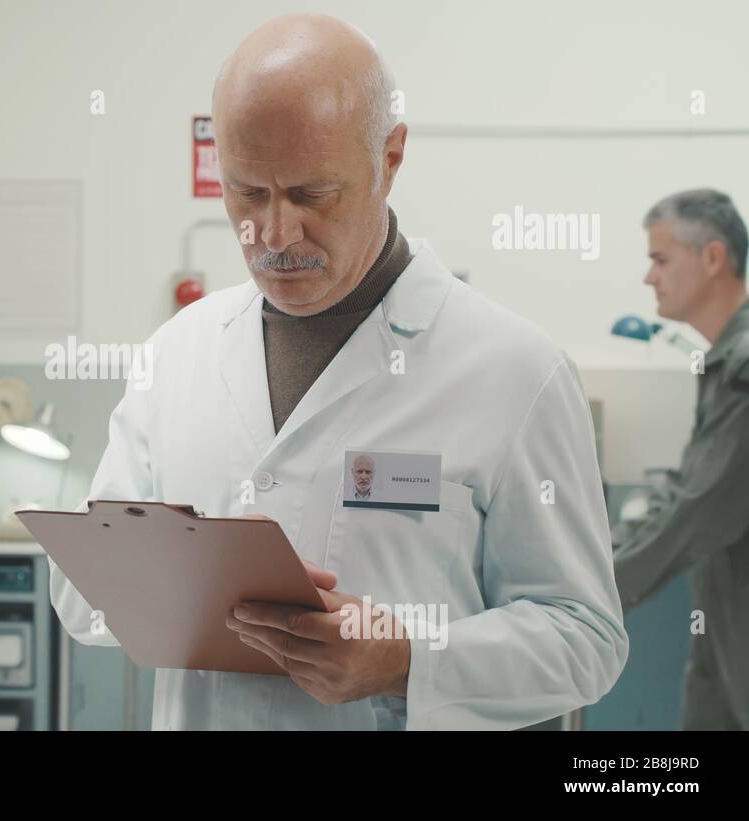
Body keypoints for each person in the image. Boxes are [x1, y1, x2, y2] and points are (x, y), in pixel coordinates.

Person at [49, 13, 627, 730]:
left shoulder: (515, 370)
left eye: (312, 195)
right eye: (247, 193)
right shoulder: (177, 353)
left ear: (390, 158)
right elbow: (82, 598)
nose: (275, 233)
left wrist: (408, 657)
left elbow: (586, 639)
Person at [613, 188, 749, 730]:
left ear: (713, 258)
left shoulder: (742, 363)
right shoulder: (723, 360)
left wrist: (591, 587)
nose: (650, 278)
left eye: (661, 260)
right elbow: (690, 482)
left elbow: (699, 507)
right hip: (722, 608)